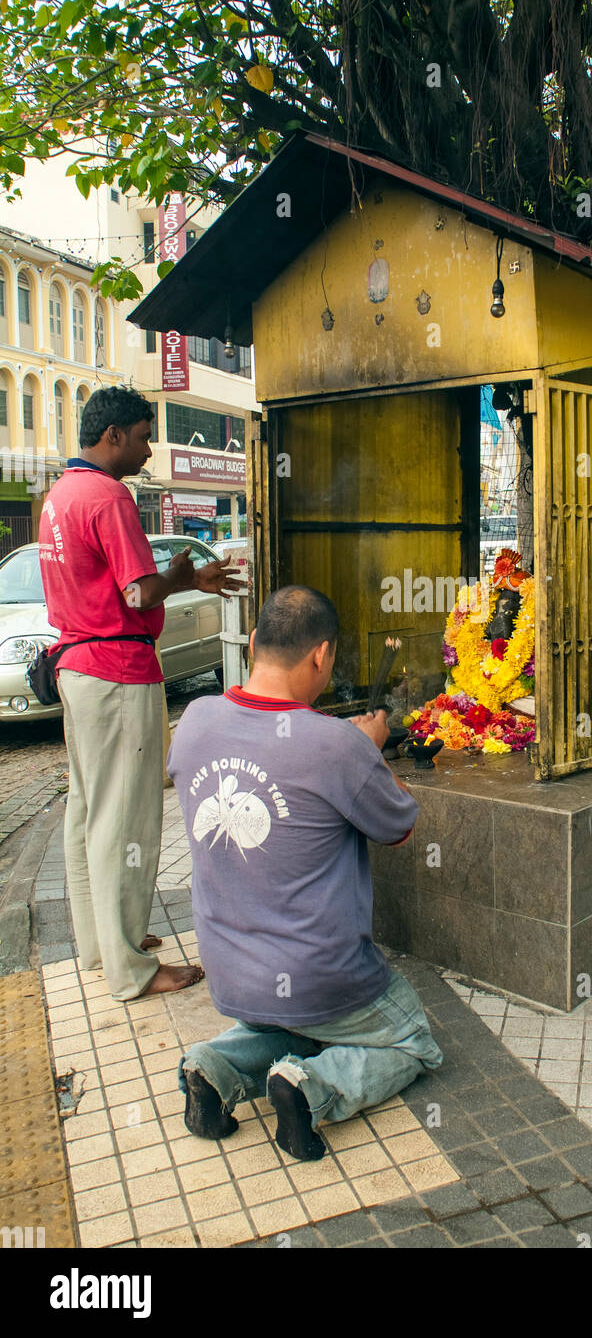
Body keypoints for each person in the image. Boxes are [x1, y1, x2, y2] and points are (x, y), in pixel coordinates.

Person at [167, 585, 442, 1160]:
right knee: (415, 1040)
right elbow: (401, 827)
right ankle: (311, 1088)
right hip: (322, 978)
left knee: (295, 1028)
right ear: (322, 656)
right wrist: (367, 751)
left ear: (251, 643)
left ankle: (215, 1067)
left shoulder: (195, 720)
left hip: (231, 973)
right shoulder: (335, 744)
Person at [38, 386, 243, 1001]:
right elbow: (139, 596)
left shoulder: (59, 495)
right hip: (115, 670)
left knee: (89, 810)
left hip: (77, 668)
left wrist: (185, 578)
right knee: (125, 816)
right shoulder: (108, 496)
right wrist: (180, 574)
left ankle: (104, 943)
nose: (149, 448)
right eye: (144, 434)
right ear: (114, 437)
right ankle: (130, 968)